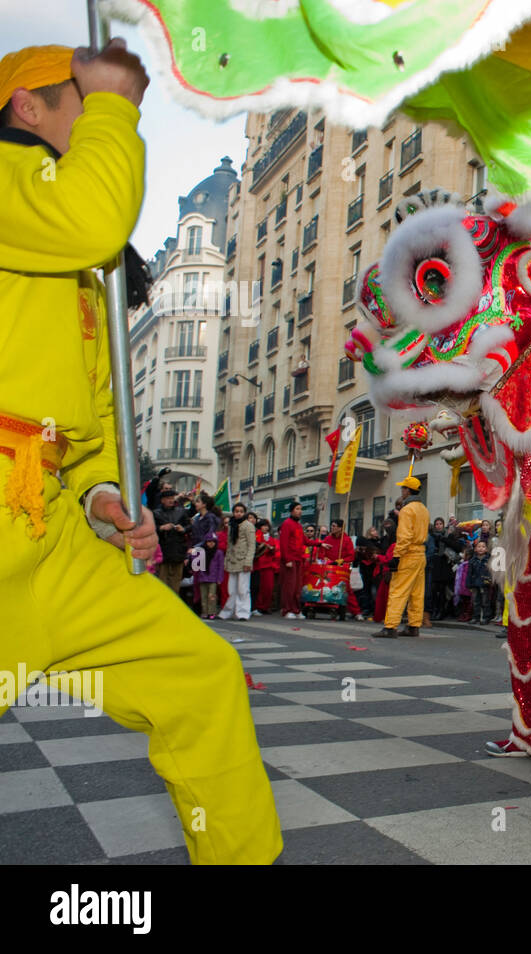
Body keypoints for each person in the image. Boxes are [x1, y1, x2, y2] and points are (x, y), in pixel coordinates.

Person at [0, 41, 280, 861]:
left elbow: (89, 419)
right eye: (82, 99)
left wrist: (101, 497)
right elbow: (93, 215)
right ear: (27, 107)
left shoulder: (79, 270)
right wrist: (118, 99)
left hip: (48, 525)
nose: (102, 117)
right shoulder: (26, 194)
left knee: (200, 676)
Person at [375, 477, 429, 637]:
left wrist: (397, 556)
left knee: (398, 590)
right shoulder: (424, 509)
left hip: (408, 553)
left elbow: (405, 536)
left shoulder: (407, 510)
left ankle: (390, 627)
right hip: (420, 554)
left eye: (403, 488)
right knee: (417, 592)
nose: (401, 491)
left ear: (408, 490)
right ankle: (414, 625)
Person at [219, 504, 255, 620]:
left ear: (244, 513)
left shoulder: (248, 526)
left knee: (243, 589)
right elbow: (229, 545)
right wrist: (226, 561)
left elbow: (252, 545)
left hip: (243, 560)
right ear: (233, 512)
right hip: (232, 560)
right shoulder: (231, 525)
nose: (238, 513)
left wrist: (248, 562)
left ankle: (243, 613)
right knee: (231, 589)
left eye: (241, 511)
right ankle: (228, 611)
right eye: (236, 511)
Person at [322, 518, 363, 620]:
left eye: (334, 526)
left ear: (340, 528)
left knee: (346, 589)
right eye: (331, 526)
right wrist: (325, 558)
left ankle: (357, 612)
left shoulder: (346, 540)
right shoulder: (327, 539)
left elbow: (351, 556)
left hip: (342, 568)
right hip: (329, 567)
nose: (332, 528)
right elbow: (322, 552)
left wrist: (341, 560)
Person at [191, 491, 223, 619]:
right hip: (196, 551)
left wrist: (197, 547)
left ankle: (209, 610)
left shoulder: (210, 518)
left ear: (204, 504)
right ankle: (200, 607)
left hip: (204, 551)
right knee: (197, 580)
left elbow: (210, 536)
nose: (195, 504)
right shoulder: (197, 518)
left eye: (198, 501)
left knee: (207, 582)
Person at [152, 486, 190, 594]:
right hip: (163, 552)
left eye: (172, 498)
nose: (171, 500)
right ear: (162, 500)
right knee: (162, 582)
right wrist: (161, 528)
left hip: (178, 551)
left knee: (176, 582)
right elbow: (151, 529)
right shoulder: (156, 513)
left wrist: (183, 529)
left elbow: (190, 526)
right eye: (168, 498)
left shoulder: (181, 511)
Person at [278, 501, 306, 618]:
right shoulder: (287, 524)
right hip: (290, 560)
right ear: (291, 511)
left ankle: (296, 610)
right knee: (289, 586)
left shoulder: (299, 525)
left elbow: (305, 540)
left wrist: (320, 544)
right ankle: (287, 609)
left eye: (300, 509)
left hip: (298, 559)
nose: (300, 511)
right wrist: (287, 560)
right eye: (297, 509)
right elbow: (283, 543)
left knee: (297, 587)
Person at [252, 518, 278, 615]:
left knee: (269, 587)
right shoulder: (257, 535)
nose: (265, 528)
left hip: (269, 566)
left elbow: (274, 550)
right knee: (259, 587)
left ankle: (266, 606)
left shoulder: (270, 538)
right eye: (264, 526)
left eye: (267, 526)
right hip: (259, 565)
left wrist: (271, 548)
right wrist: (266, 546)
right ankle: (258, 606)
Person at [467, 538, 493, 624]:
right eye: (479, 546)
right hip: (475, 584)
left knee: (485, 601)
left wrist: (490, 581)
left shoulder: (489, 560)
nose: (481, 548)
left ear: (486, 549)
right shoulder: (472, 560)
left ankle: (486, 617)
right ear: (475, 549)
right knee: (475, 601)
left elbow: (492, 572)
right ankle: (476, 617)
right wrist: (468, 584)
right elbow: (469, 573)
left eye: (483, 546)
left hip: (485, 583)